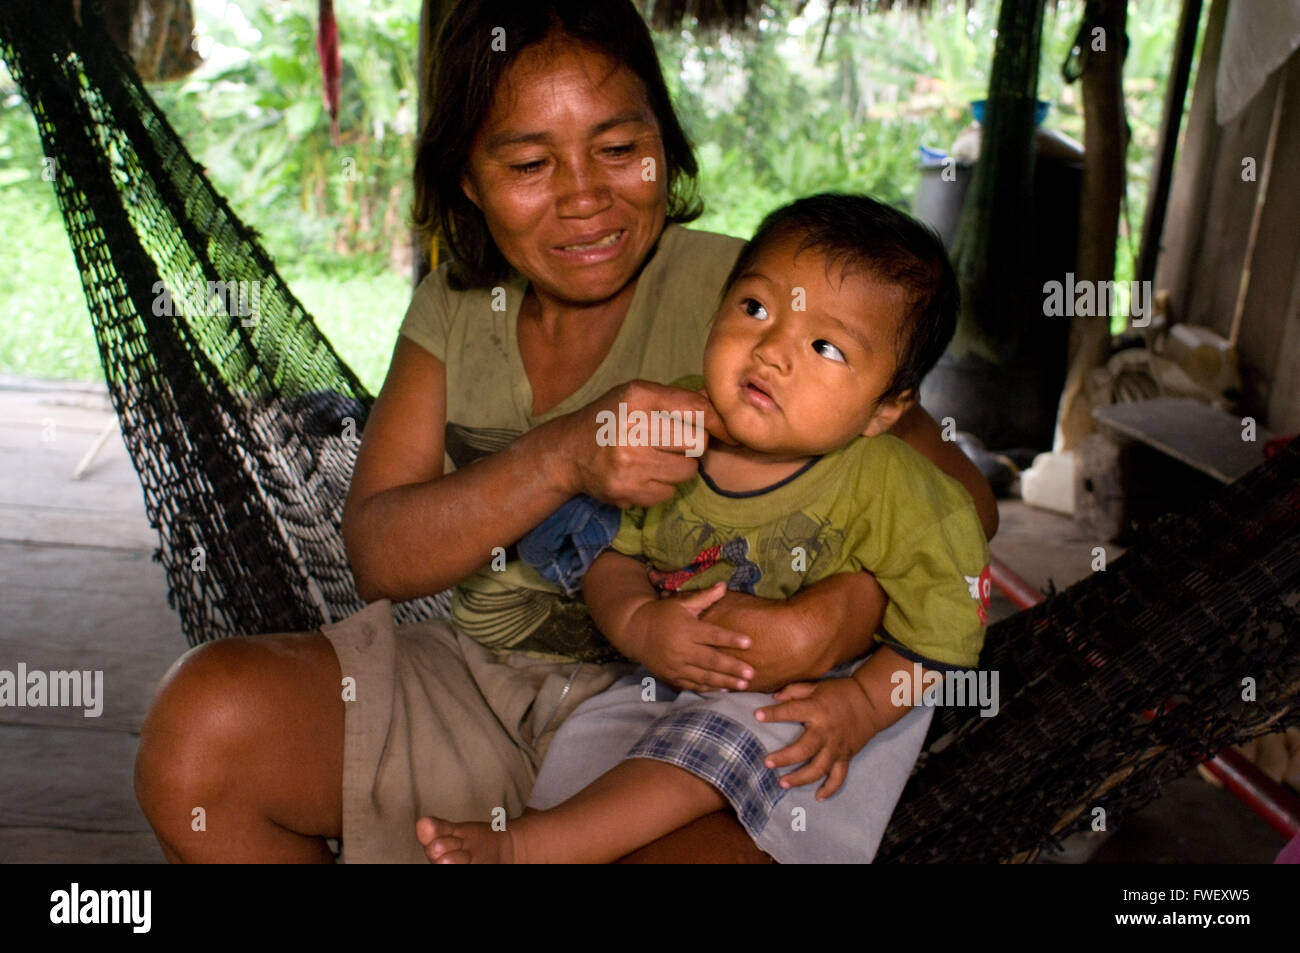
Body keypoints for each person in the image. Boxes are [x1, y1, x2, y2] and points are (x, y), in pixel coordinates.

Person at [133, 0, 998, 864]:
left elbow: (957, 507)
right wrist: (563, 455)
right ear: (468, 178)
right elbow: (379, 551)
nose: (585, 197)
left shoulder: (756, 299)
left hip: (687, 723)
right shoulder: (455, 311)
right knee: (200, 738)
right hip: (480, 689)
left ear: (664, 144)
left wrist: (834, 616)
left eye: (620, 150)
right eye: (528, 162)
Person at [416, 193, 989, 864]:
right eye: (755, 308)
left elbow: (948, 631)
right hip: (664, 678)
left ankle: (525, 846)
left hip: (814, 705)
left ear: (886, 408)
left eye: (826, 345)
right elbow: (610, 551)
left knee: (715, 744)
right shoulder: (667, 423)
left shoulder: (898, 490)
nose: (773, 350)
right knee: (594, 759)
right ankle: (552, 829)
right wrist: (637, 621)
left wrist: (860, 702)